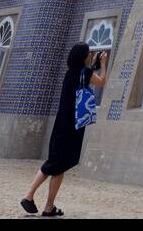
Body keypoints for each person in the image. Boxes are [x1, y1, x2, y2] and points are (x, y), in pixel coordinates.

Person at [20, 43, 107, 217]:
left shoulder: (70, 73)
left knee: (54, 163)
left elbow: (84, 76)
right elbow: (101, 82)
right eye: (88, 54)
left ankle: (43, 203)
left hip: (61, 122)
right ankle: (34, 199)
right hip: (74, 124)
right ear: (83, 56)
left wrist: (93, 65)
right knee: (58, 166)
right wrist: (103, 64)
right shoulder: (85, 73)